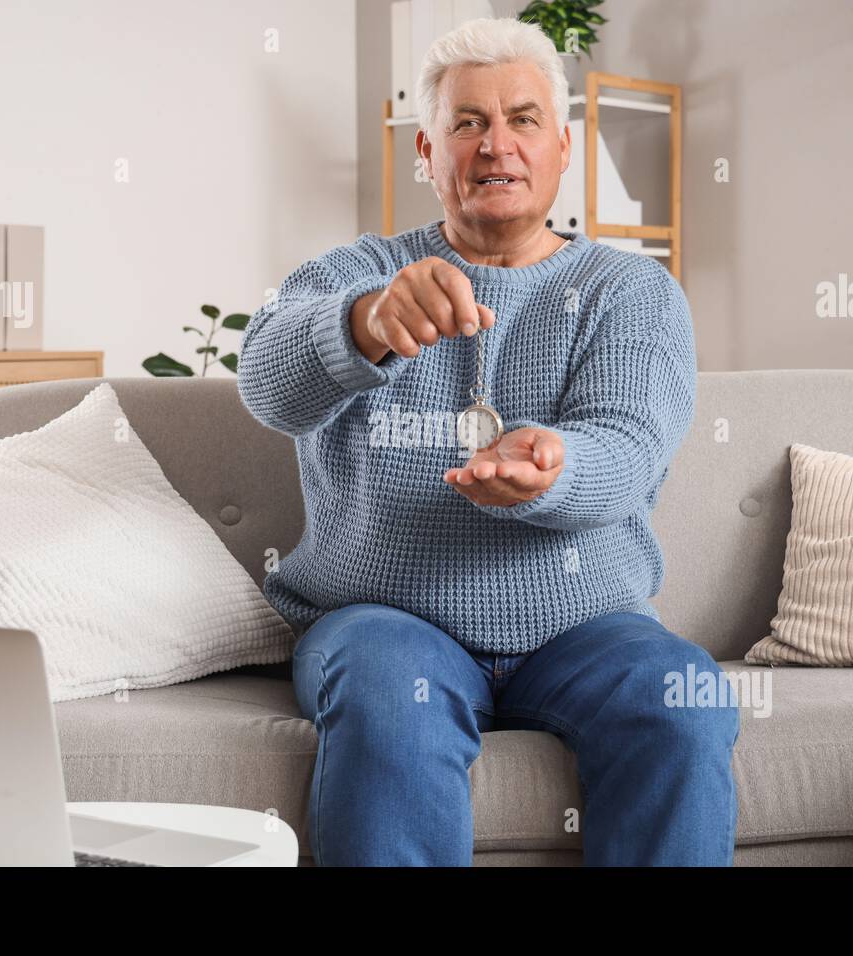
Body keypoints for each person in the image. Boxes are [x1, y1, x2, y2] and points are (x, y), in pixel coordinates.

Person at [236, 16, 739, 866]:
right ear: (427, 154)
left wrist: (557, 469)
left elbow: (627, 445)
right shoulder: (357, 274)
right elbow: (266, 388)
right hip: (384, 622)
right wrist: (363, 328)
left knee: (682, 702)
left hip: (586, 629)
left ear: (564, 146)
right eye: (467, 124)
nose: (496, 145)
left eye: (522, 119)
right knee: (390, 696)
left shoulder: (631, 291)